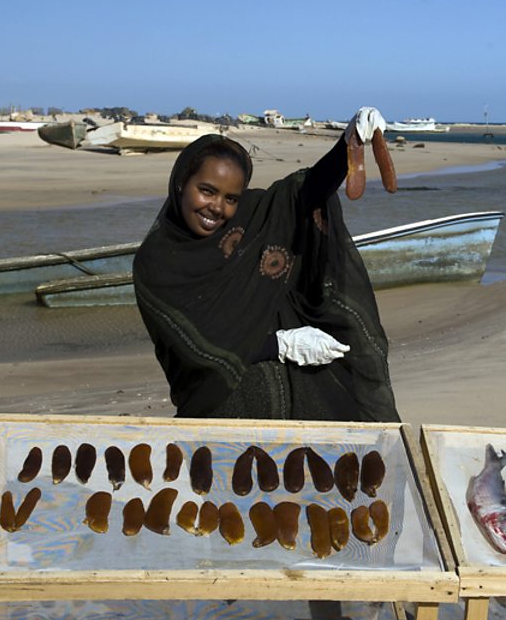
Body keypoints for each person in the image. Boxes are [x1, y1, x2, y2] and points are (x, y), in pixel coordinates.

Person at [132, 107, 399, 422]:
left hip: (298, 407)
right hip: (218, 412)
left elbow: (303, 194)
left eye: (231, 198)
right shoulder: (156, 262)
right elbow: (196, 349)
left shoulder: (249, 221)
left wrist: (347, 143)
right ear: (180, 183)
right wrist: (281, 344)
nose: (216, 207)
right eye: (206, 191)